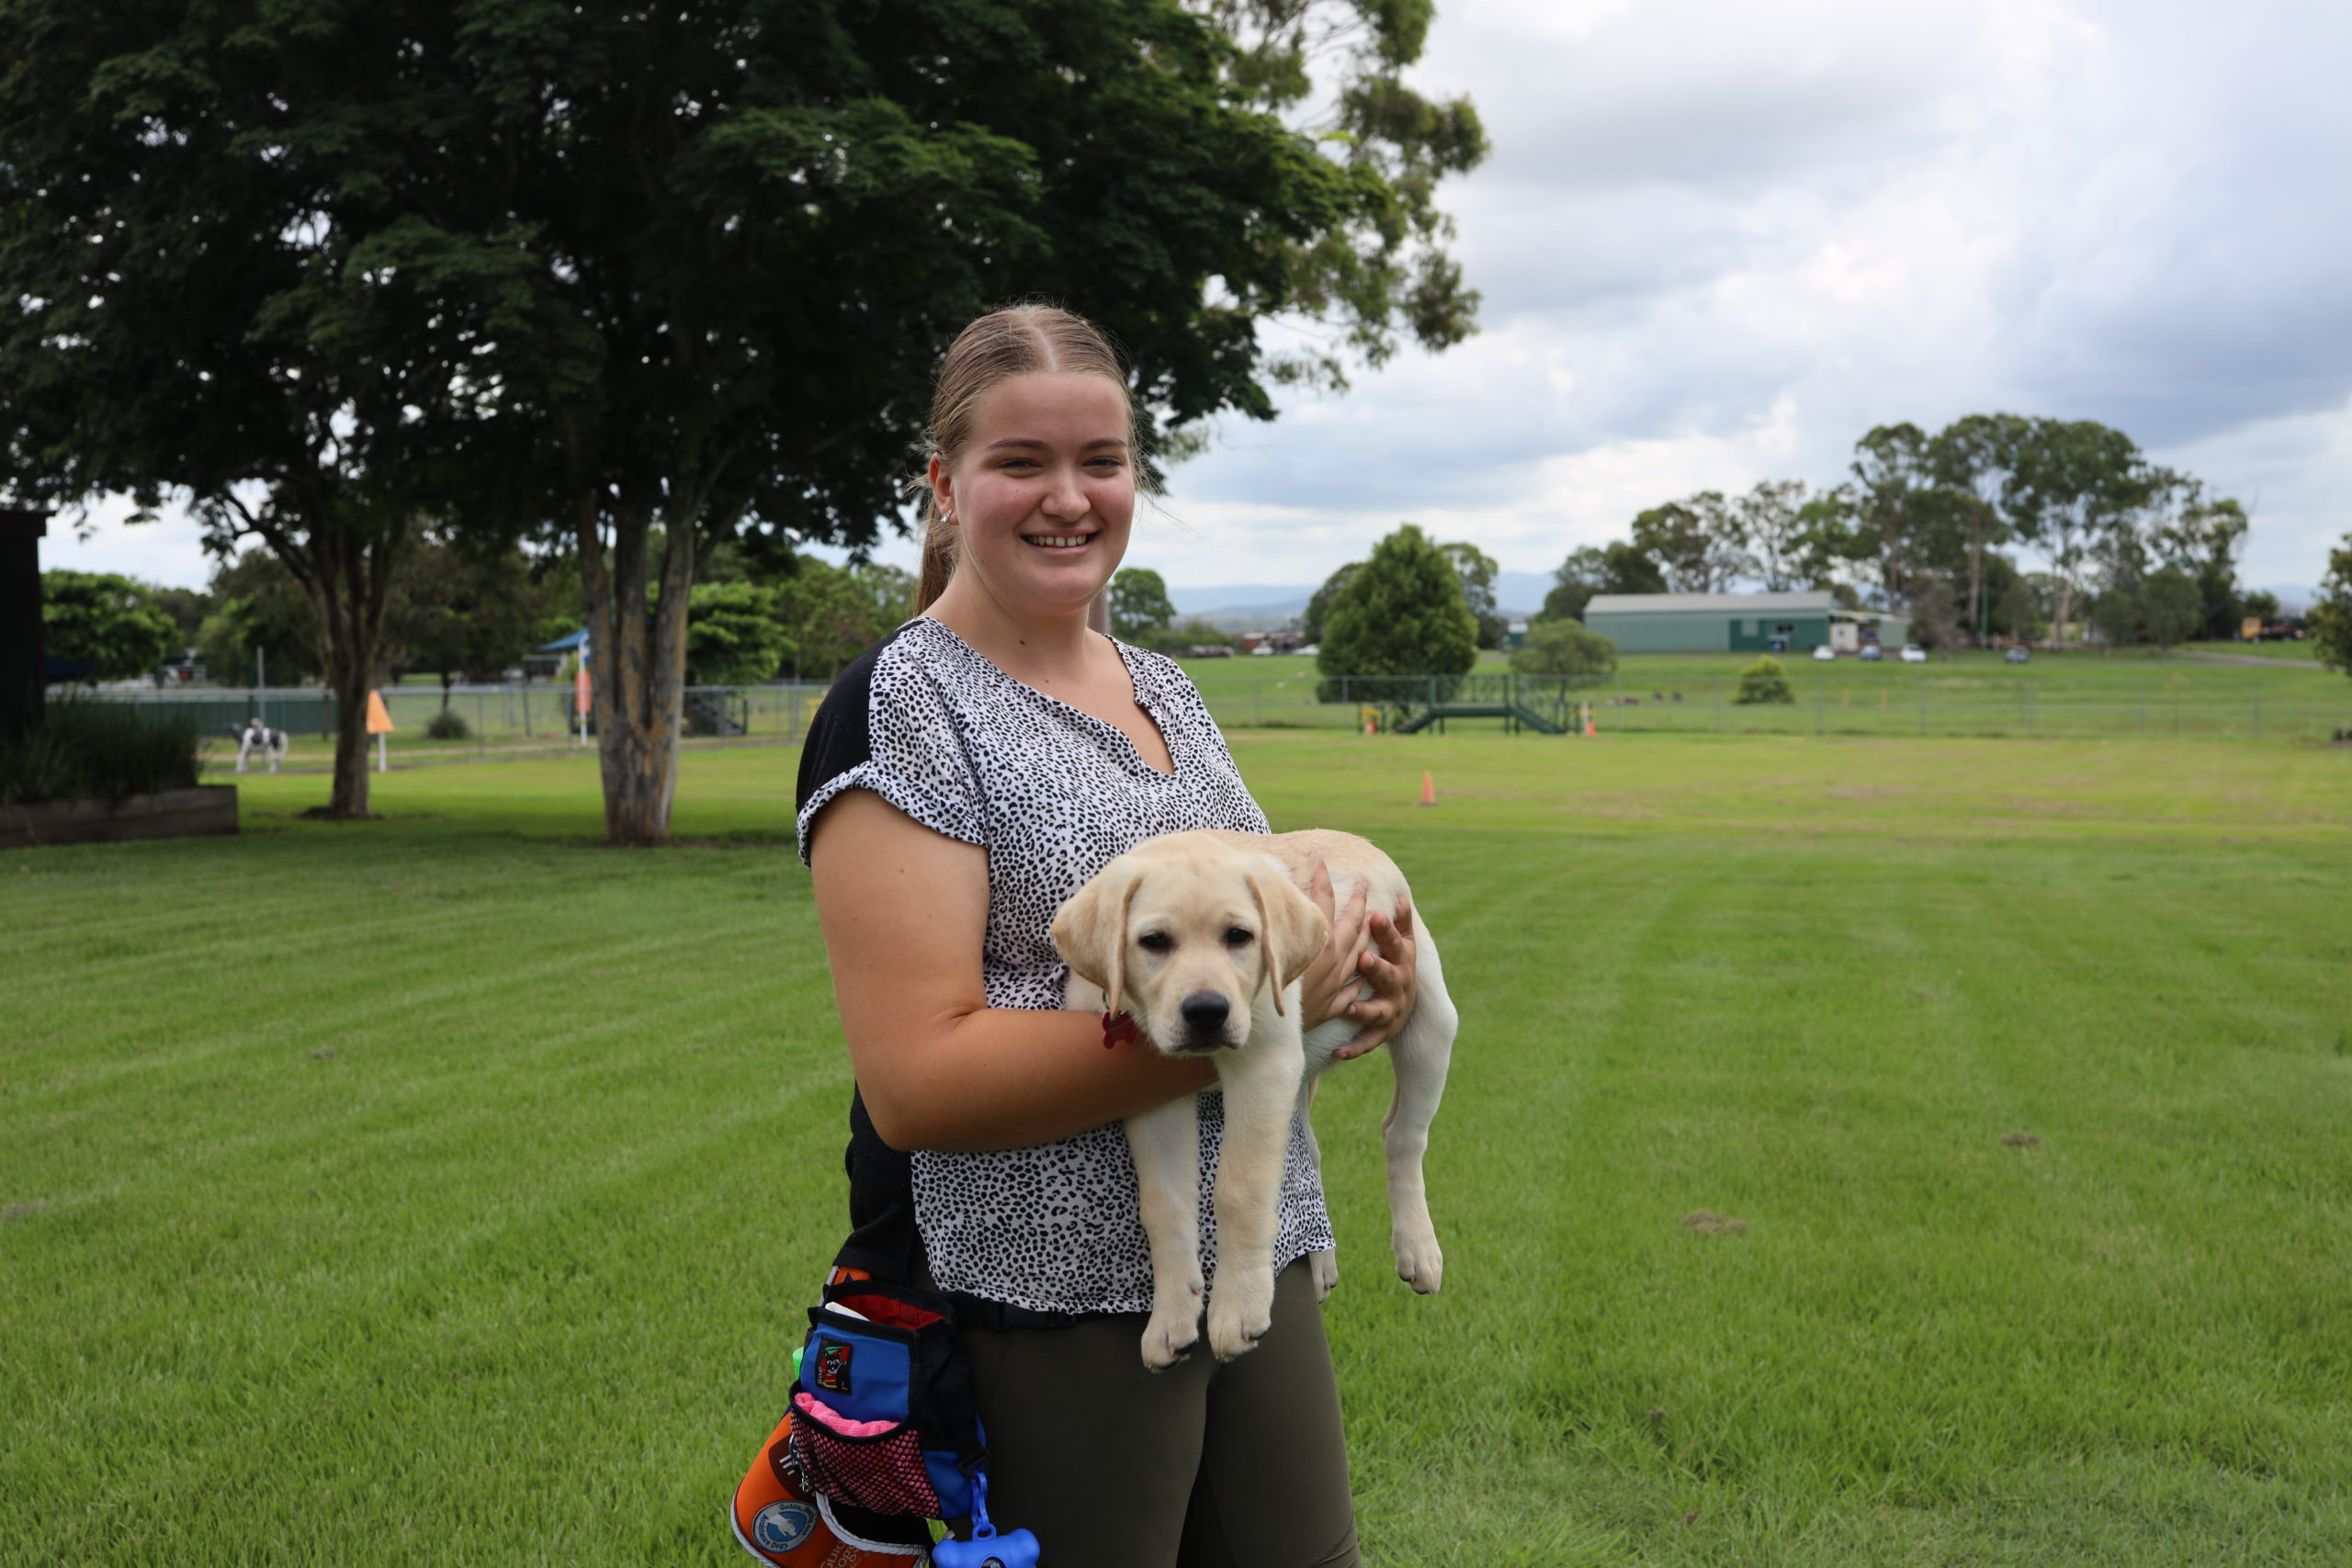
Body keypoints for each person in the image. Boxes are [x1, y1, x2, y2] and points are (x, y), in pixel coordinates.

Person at [795, 305, 1419, 1568]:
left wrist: (1357, 975)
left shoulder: (1165, 686)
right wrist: (1244, 1026)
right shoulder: (902, 706)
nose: (1068, 498)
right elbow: (917, 1082)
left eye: (1103, 461)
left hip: (1260, 1245)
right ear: (944, 485)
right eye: (1021, 462)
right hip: (1046, 1289)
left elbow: (1254, 937)